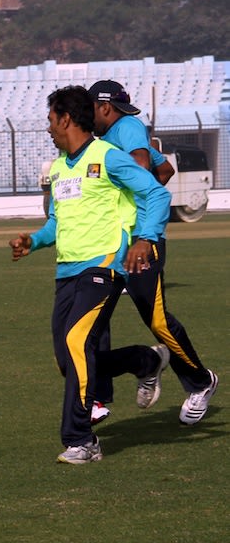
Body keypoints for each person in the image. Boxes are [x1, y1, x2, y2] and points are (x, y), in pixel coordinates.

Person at [8, 85, 173, 464]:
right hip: (67, 272)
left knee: (77, 342)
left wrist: (145, 238)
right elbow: (56, 224)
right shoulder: (59, 168)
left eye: (51, 120)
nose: (48, 129)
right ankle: (143, 361)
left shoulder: (109, 157)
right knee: (67, 360)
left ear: (66, 119)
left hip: (103, 268)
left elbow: (156, 194)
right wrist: (32, 242)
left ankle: (81, 440)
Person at [87, 80, 218, 426]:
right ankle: (103, 394)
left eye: (90, 108)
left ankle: (201, 382)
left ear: (104, 108)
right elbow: (165, 170)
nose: (86, 115)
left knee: (156, 318)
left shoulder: (125, 126)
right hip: (115, 242)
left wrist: (139, 210)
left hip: (141, 241)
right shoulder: (106, 139)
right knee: (94, 318)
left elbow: (144, 168)